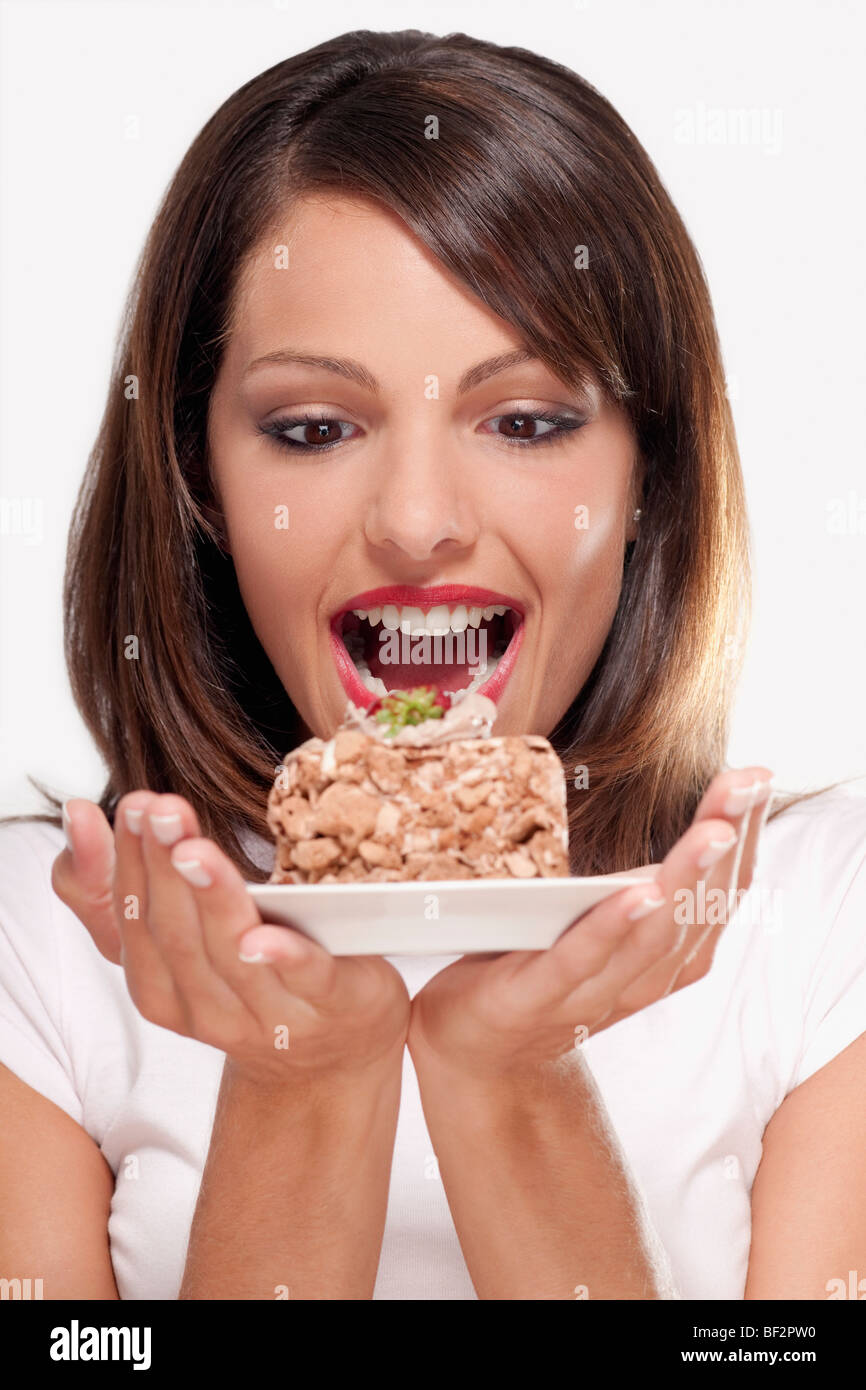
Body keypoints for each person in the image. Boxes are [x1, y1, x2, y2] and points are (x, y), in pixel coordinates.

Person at [1, 28, 865, 1301]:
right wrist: (302, 1083)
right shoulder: (51, 930)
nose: (416, 520)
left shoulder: (817, 921)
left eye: (523, 421)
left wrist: (512, 1092)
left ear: (647, 479)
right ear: (199, 481)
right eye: (312, 427)